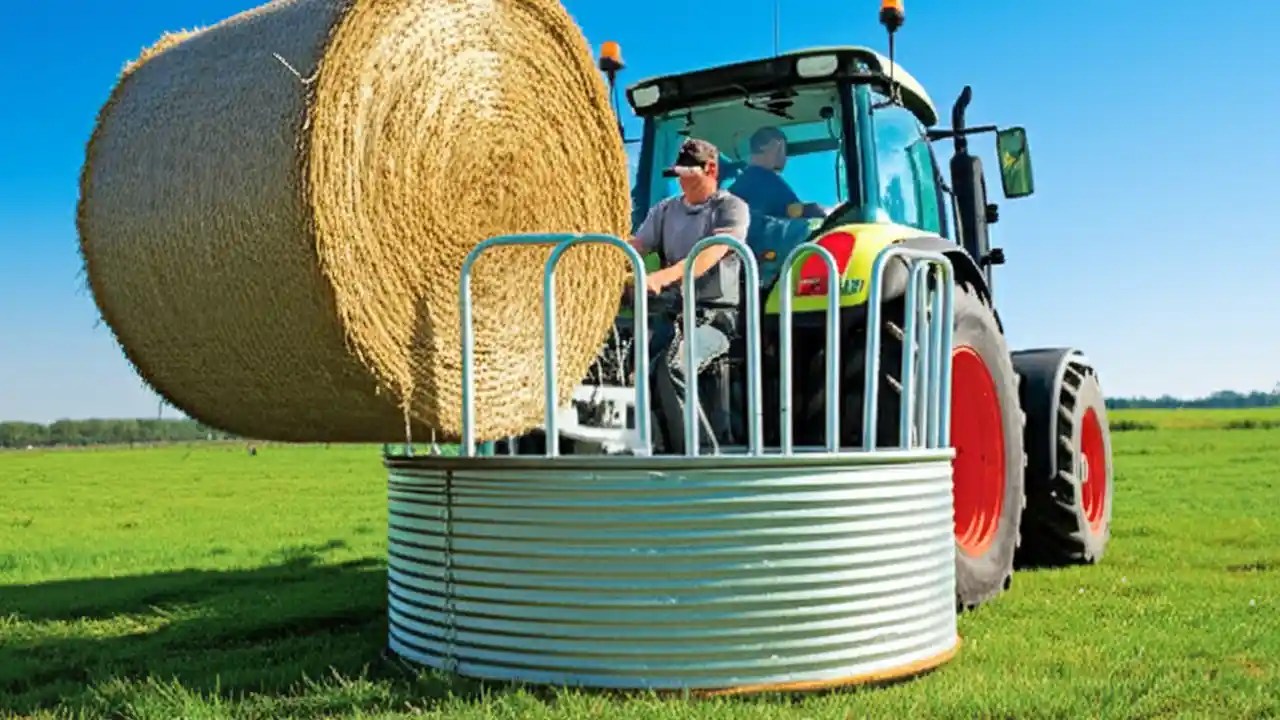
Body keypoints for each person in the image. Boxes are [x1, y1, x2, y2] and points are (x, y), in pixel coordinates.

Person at [628, 137, 750, 454]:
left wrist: (661, 278)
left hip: (715, 318)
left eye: (687, 172)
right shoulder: (665, 211)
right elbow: (636, 246)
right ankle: (654, 450)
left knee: (675, 366)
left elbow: (709, 254)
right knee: (632, 366)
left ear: (711, 169)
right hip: (672, 314)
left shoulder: (730, 208)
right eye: (678, 173)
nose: (681, 179)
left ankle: (700, 455)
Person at [729, 126, 825, 219]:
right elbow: (794, 212)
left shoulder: (735, 188)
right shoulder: (768, 182)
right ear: (775, 145)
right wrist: (813, 209)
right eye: (784, 149)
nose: (785, 157)